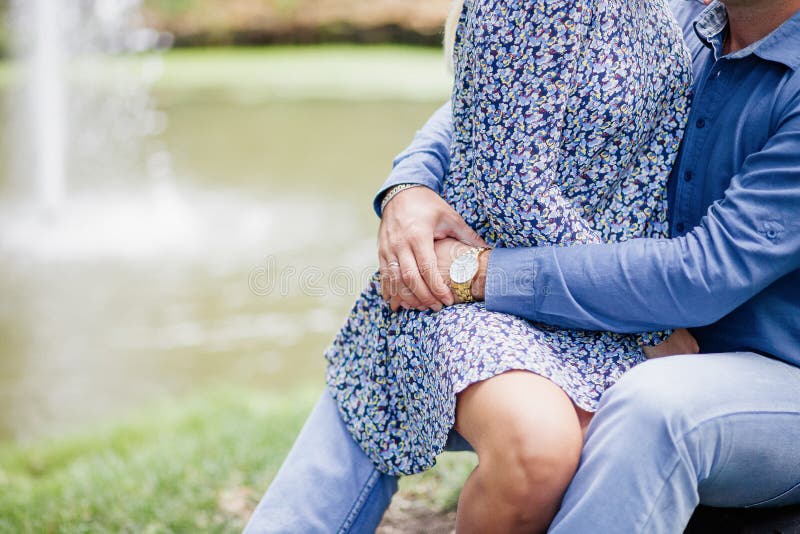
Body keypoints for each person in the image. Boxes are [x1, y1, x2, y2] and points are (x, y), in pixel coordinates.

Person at [244, 0, 800, 532]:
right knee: (415, 316)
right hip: (618, 312)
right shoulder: (684, 19)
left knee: (647, 407)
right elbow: (496, 97)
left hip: (767, 371)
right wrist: (408, 188)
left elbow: (701, 274)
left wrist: (482, 275)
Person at [326, 0, 695, 531]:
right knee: (537, 446)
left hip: (596, 297)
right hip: (493, 288)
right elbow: (511, 186)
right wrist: (647, 320)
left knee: (615, 437)